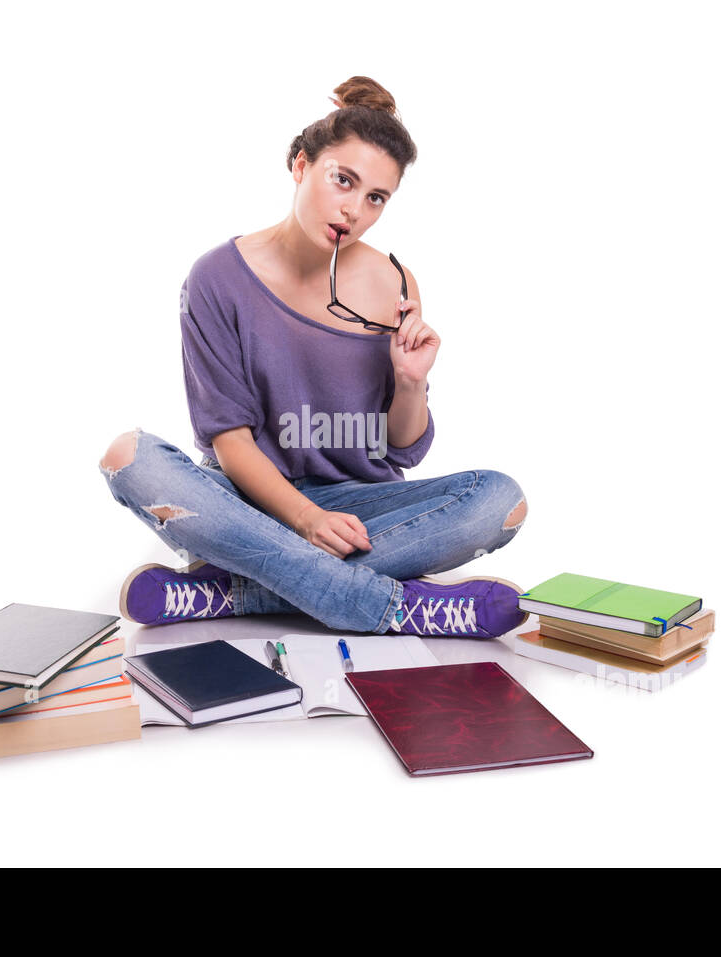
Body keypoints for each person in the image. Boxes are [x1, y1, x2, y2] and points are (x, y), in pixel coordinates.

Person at [98, 76, 528, 637]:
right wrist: (303, 517)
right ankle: (390, 606)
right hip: (248, 499)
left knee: (500, 501)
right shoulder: (216, 278)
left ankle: (235, 594)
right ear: (301, 165)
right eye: (342, 181)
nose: (354, 210)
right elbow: (230, 441)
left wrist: (410, 382)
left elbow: (403, 446)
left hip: (360, 510)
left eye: (376, 198)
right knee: (127, 456)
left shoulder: (393, 282)